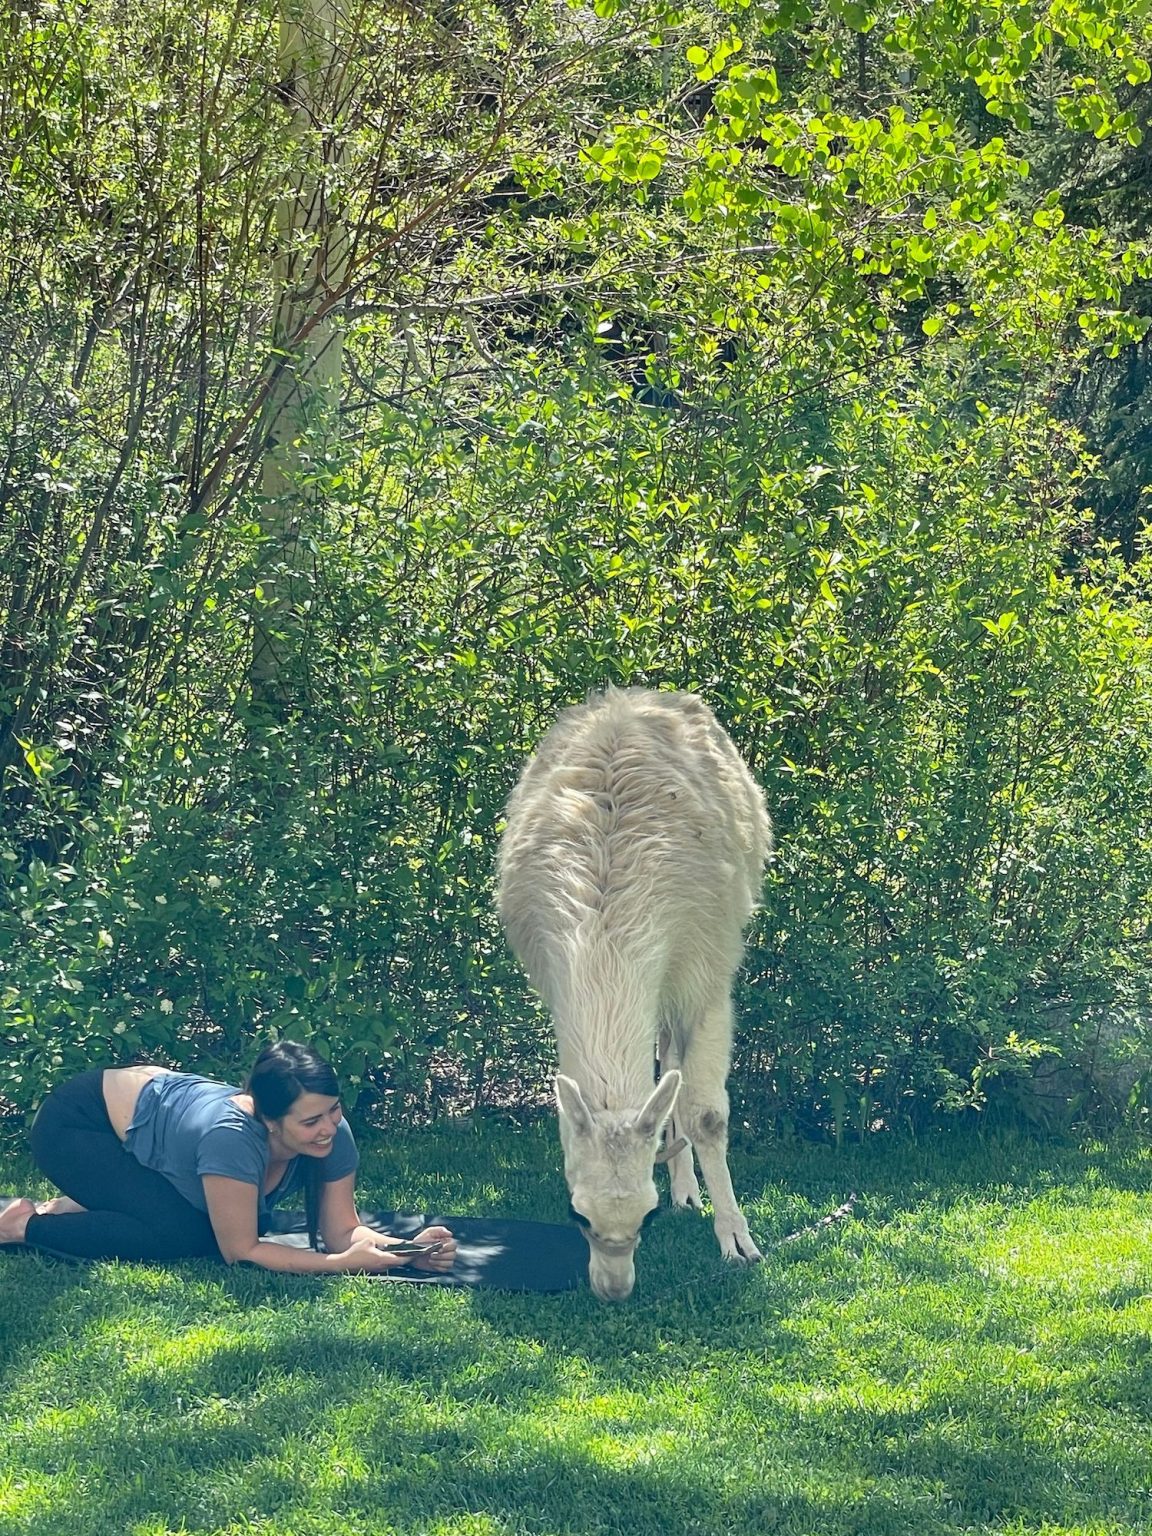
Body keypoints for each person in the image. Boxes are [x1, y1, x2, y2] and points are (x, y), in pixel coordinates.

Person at [0, 1039, 456, 1276]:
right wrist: (340, 1266)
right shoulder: (232, 1138)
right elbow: (241, 1252)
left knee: (200, 1222)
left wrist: (406, 1250)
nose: (328, 1128)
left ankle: (77, 1206)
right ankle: (24, 1225)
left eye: (333, 1110)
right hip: (79, 1125)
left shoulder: (332, 1132)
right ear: (270, 1121)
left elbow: (341, 1229)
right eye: (311, 1120)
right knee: (183, 1234)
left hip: (146, 1120)